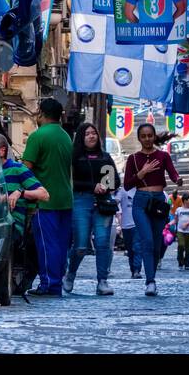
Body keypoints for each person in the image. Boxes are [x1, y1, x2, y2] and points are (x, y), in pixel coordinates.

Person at [123, 123, 184, 296]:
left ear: (154, 136)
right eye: (144, 136)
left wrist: (178, 180)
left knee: (157, 245)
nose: (147, 139)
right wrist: (141, 173)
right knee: (147, 241)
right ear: (139, 138)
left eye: (150, 135)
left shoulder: (163, 156)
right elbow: (127, 185)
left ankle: (152, 275)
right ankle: (150, 282)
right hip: (141, 202)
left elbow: (173, 174)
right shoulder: (133, 159)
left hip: (158, 202)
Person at [22, 97, 74, 297]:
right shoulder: (65, 136)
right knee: (60, 246)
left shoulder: (38, 136)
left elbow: (26, 169)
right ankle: (56, 282)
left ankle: (48, 284)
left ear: (42, 114)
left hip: (45, 201)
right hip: (65, 199)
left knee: (46, 244)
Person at [65, 123, 120, 296]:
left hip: (102, 203)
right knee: (81, 244)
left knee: (103, 243)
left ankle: (102, 281)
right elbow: (70, 182)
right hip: (81, 200)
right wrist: (91, 186)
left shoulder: (105, 157)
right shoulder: (74, 157)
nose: (91, 136)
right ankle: (70, 274)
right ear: (81, 137)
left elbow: (115, 181)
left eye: (93, 133)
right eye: (87, 134)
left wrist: (104, 186)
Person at [0, 132, 48, 296]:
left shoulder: (17, 169)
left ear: (2, 151)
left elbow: (44, 194)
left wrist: (20, 192)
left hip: (13, 226)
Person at [114, 183, 141, 278]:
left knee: (137, 248)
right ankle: (133, 270)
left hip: (138, 224)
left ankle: (137, 270)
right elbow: (116, 201)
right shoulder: (123, 190)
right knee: (130, 250)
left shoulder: (140, 189)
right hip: (126, 226)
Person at [174, 192, 189, 271]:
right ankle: (180, 262)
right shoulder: (178, 210)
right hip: (180, 231)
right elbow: (176, 220)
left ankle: (187, 263)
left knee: (188, 249)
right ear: (185, 200)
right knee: (181, 245)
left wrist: (187, 224)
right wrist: (168, 225)